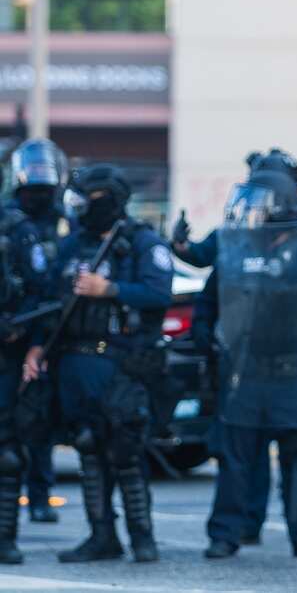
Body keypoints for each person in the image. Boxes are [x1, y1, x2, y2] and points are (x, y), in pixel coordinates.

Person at [24, 164, 174, 563]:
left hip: (123, 363)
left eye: (89, 200)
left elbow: (159, 294)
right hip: (76, 362)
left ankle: (142, 538)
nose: (82, 208)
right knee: (88, 448)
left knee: (126, 452)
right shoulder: (74, 245)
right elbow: (51, 301)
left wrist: (110, 289)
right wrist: (37, 347)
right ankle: (101, 536)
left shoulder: (141, 243)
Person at [203, 168, 297, 560]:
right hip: (246, 373)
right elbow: (209, 303)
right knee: (235, 461)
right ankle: (226, 533)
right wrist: (211, 344)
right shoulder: (238, 252)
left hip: (294, 373)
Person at [5, 138, 70, 524]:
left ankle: (40, 493)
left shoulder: (67, 219)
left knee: (40, 420)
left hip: (52, 329)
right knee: (13, 422)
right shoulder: (10, 220)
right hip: (16, 331)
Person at [0, 179, 49, 563]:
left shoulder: (16, 228)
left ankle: (4, 537)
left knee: (7, 449)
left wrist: (28, 335)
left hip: (6, 350)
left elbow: (40, 288)